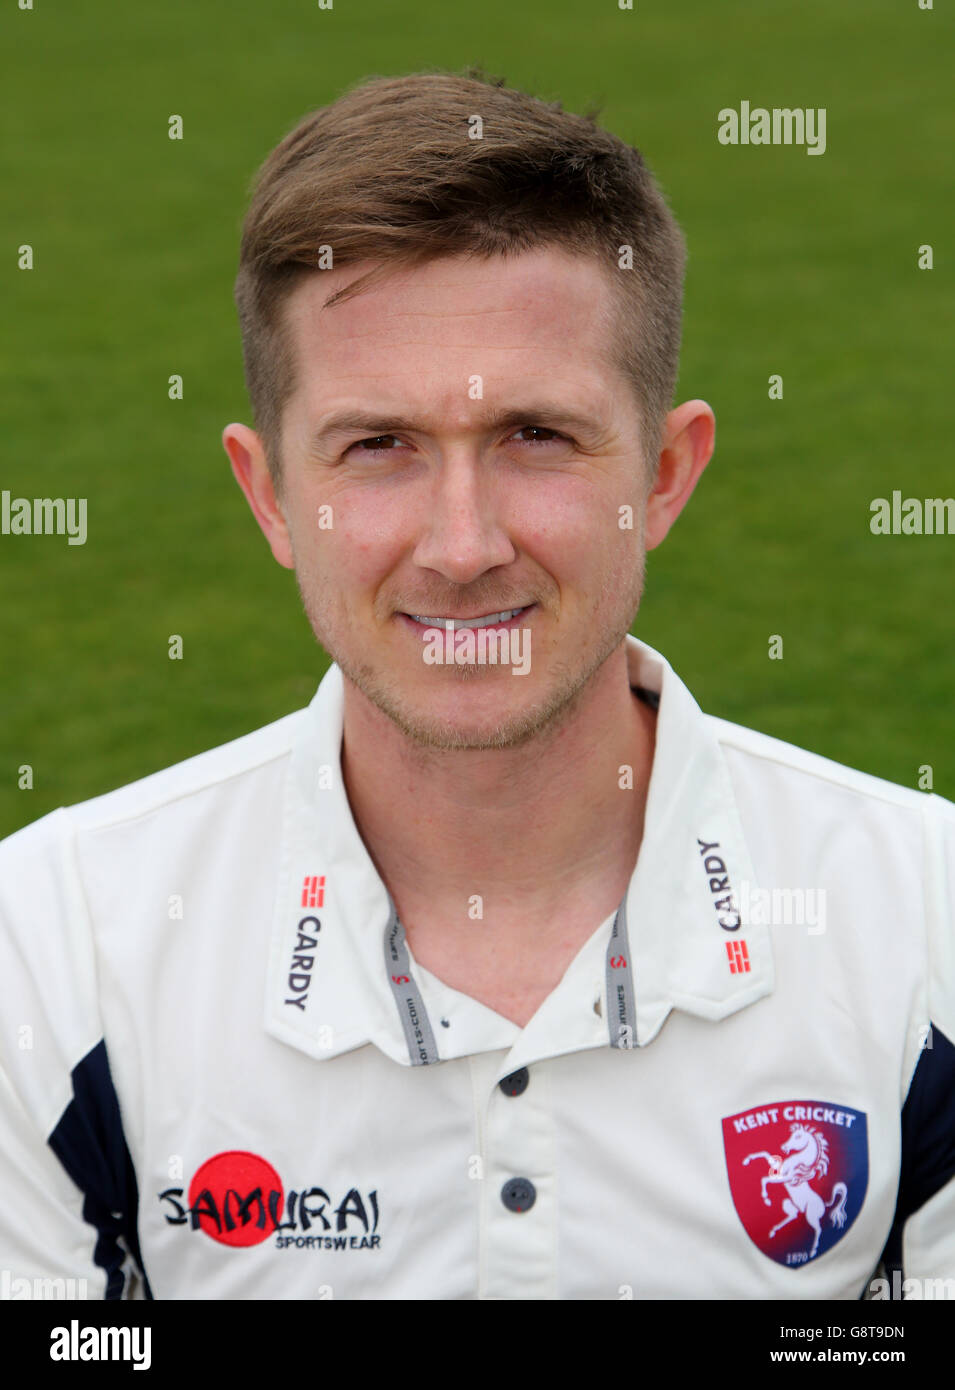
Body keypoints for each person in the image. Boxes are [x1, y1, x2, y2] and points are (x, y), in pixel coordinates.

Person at [1, 68, 952, 1302]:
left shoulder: (928, 924)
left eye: (535, 437)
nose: (462, 546)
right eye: (379, 446)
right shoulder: (53, 945)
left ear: (665, 474)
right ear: (270, 495)